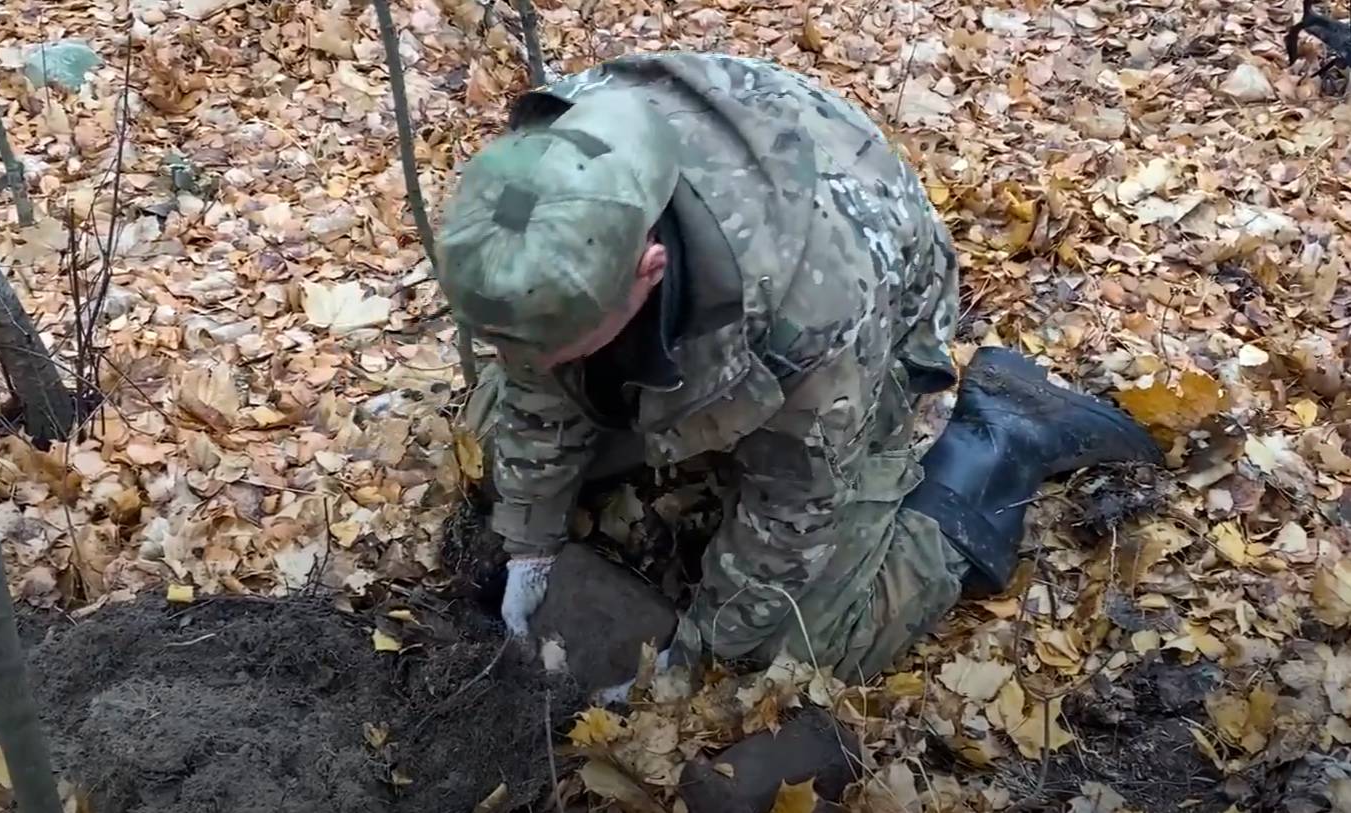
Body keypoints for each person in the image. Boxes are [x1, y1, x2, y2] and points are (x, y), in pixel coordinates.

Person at [435, 52, 1162, 692]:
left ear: (648, 269)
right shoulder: (546, 177)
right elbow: (534, 381)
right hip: (714, 288)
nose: (525, 364)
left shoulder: (812, 315)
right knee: (492, 445)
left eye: (557, 343)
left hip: (864, 318)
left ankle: (999, 442)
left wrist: (697, 657)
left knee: (800, 645)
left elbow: (791, 508)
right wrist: (529, 542)